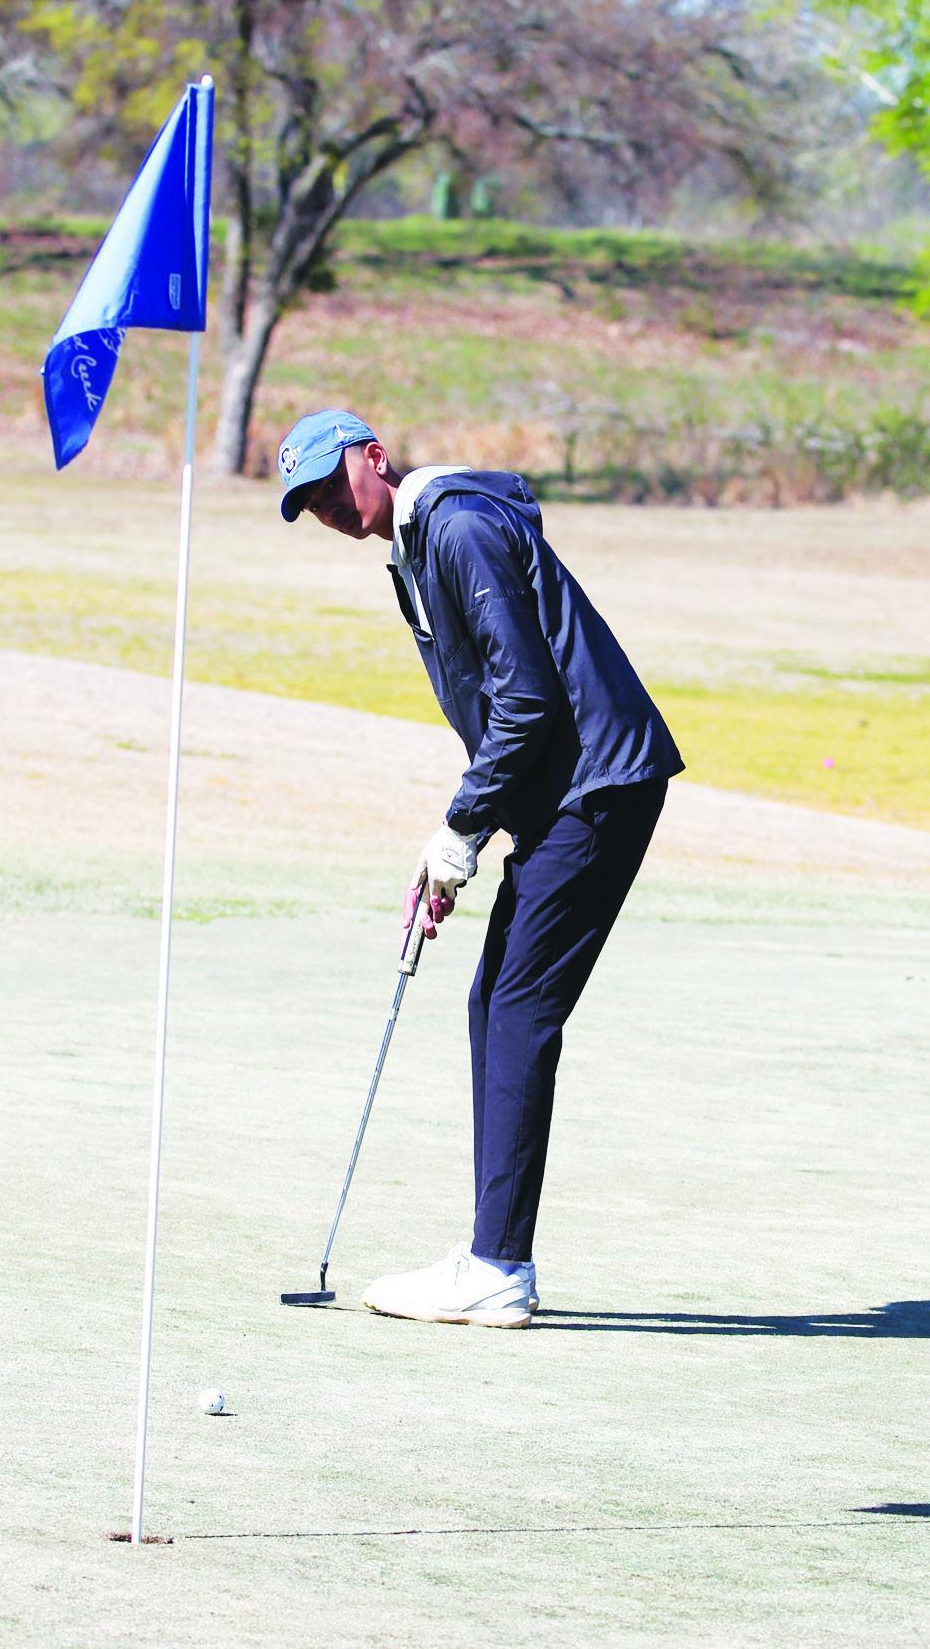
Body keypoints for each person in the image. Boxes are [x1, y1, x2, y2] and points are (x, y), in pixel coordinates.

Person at [276, 408, 684, 1328]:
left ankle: (500, 1265)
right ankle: (493, 1253)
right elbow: (510, 710)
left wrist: (460, 831)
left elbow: (529, 699)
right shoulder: (416, 549)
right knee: (495, 1001)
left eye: (332, 488)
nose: (328, 512)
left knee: (518, 1007)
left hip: (599, 785)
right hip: (572, 791)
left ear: (374, 458)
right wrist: (463, 839)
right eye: (309, 506)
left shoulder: (456, 528)